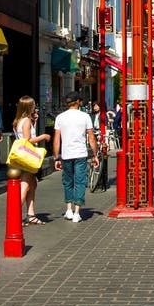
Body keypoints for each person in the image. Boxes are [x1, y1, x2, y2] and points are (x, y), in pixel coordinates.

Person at [53, 91, 98, 223]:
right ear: (78, 101)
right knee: (80, 182)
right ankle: (77, 212)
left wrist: (56, 157)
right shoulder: (85, 117)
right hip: (80, 153)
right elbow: (91, 137)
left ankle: (68, 209)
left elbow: (57, 139)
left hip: (66, 154)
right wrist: (95, 155)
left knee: (68, 181)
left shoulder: (60, 117)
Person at [12, 96, 51, 224]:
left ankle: (31, 214)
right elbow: (27, 140)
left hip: (22, 155)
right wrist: (43, 137)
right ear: (29, 107)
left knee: (32, 184)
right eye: (33, 105)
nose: (35, 107)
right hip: (27, 157)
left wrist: (34, 122)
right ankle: (15, 216)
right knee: (26, 184)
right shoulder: (26, 121)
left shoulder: (18, 121)